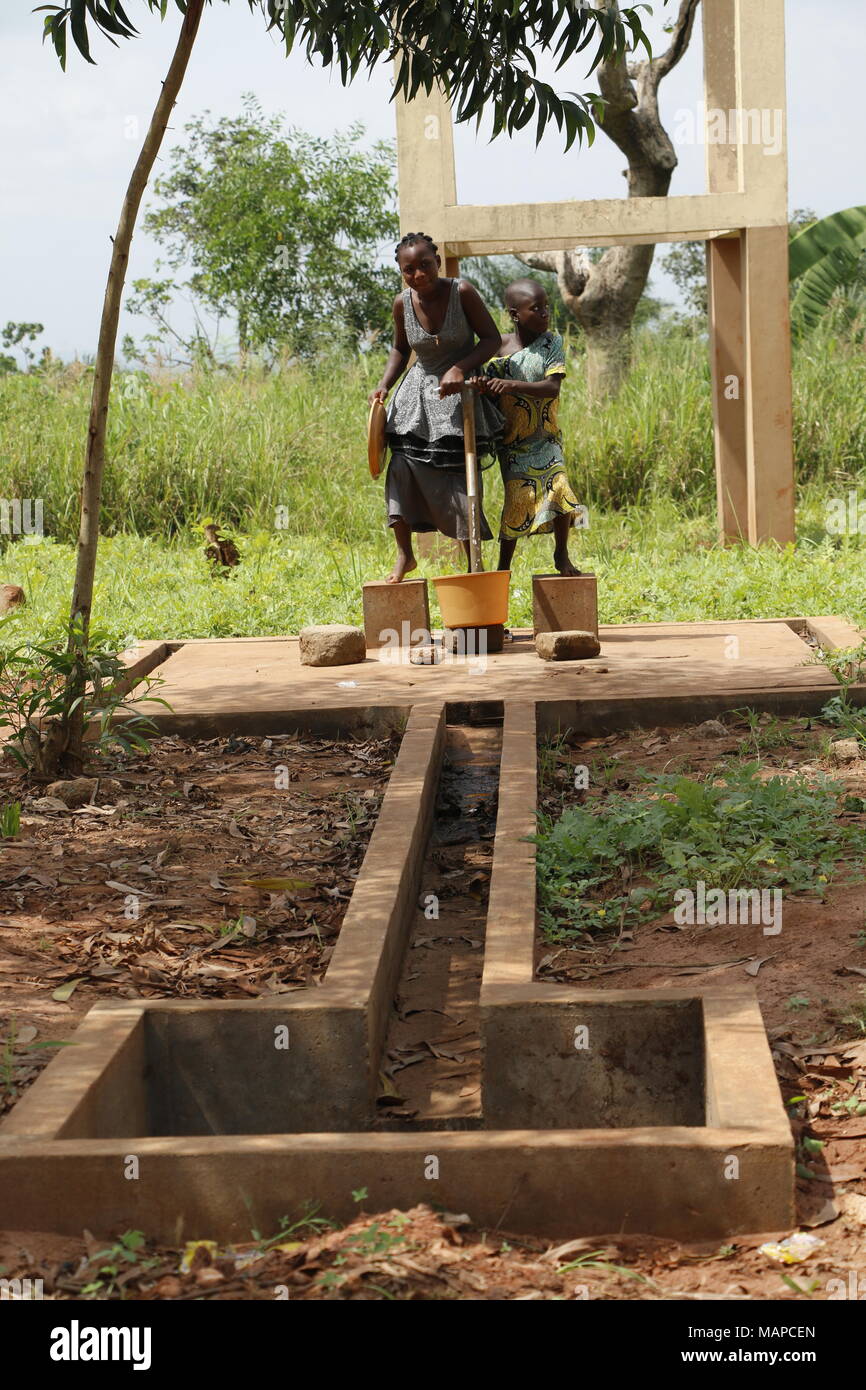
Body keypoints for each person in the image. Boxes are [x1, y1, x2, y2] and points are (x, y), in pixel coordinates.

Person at [369, 233, 504, 583]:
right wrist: (384, 384)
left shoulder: (462, 293)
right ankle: (404, 556)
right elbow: (400, 349)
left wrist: (460, 368)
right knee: (400, 468)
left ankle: (474, 564)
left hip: (459, 397)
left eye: (425, 265)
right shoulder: (402, 303)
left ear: (438, 262)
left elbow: (491, 339)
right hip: (415, 398)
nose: (418, 275)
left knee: (460, 476)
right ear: (401, 271)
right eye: (409, 269)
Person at [471, 278, 583, 576]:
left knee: (559, 487)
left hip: (546, 438)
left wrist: (508, 385)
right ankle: (503, 568)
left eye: (547, 306)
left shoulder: (551, 343)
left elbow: (551, 388)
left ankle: (561, 554)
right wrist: (485, 386)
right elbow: (484, 391)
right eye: (536, 308)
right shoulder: (495, 347)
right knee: (517, 499)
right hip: (512, 442)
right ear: (514, 313)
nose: (545, 313)